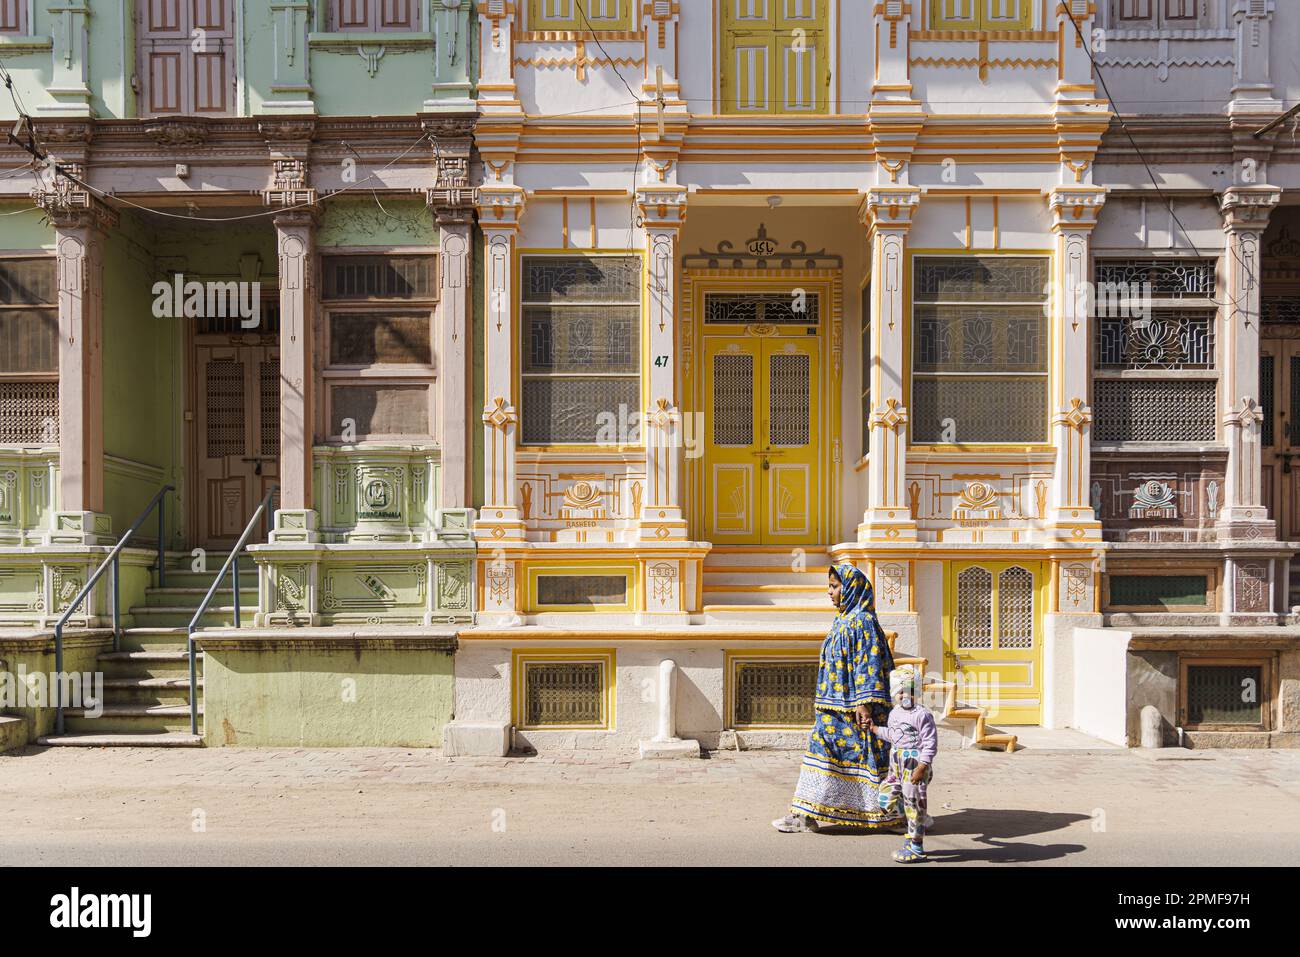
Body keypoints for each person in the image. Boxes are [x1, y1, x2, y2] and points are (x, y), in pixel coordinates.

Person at [772, 563, 902, 833]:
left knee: (869, 760)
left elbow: (869, 664)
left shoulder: (863, 623)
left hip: (854, 711)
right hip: (831, 710)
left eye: (834, 586)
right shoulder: (842, 620)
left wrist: (864, 704)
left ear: (851, 588)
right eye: (829, 586)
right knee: (821, 757)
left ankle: (892, 815)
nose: (829, 592)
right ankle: (804, 814)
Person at [869, 666, 937, 863]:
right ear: (894, 693)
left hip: (914, 764)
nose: (905, 695)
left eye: (910, 691)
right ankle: (903, 825)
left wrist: (922, 767)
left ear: (916, 692)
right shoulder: (895, 713)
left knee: (914, 805)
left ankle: (916, 846)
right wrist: (874, 729)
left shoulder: (922, 714)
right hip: (896, 763)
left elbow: (930, 743)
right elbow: (893, 735)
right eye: (900, 691)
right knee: (886, 792)